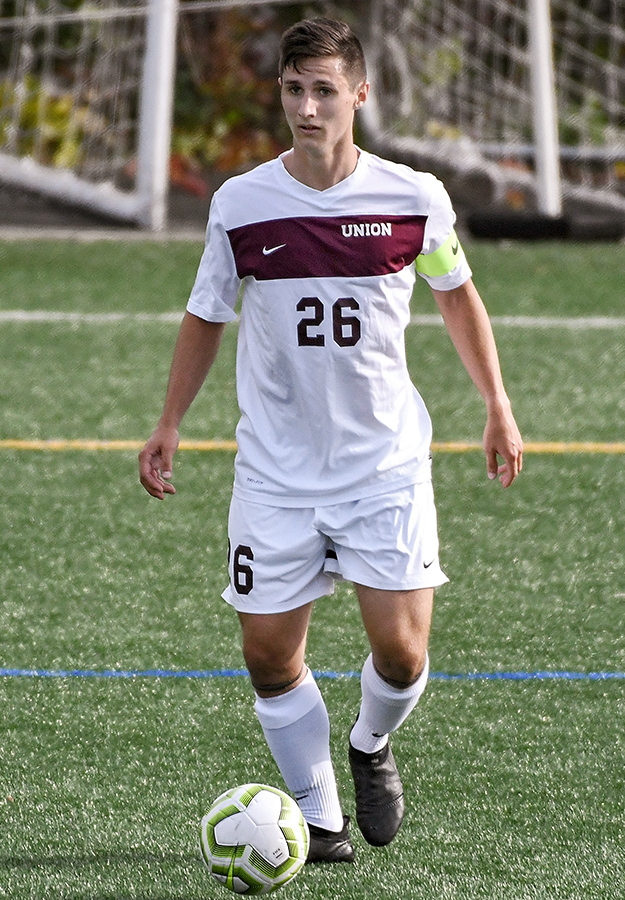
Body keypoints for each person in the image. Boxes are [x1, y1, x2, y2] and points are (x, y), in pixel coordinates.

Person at [138, 17, 523, 863]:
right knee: (270, 656)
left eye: (323, 90)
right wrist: (170, 420)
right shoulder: (241, 204)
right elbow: (207, 313)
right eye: (292, 89)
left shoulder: (413, 196)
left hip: (383, 466)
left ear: (359, 94)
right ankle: (317, 818)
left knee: (403, 649)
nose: (307, 107)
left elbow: (457, 294)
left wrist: (495, 400)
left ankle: (370, 743)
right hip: (275, 473)